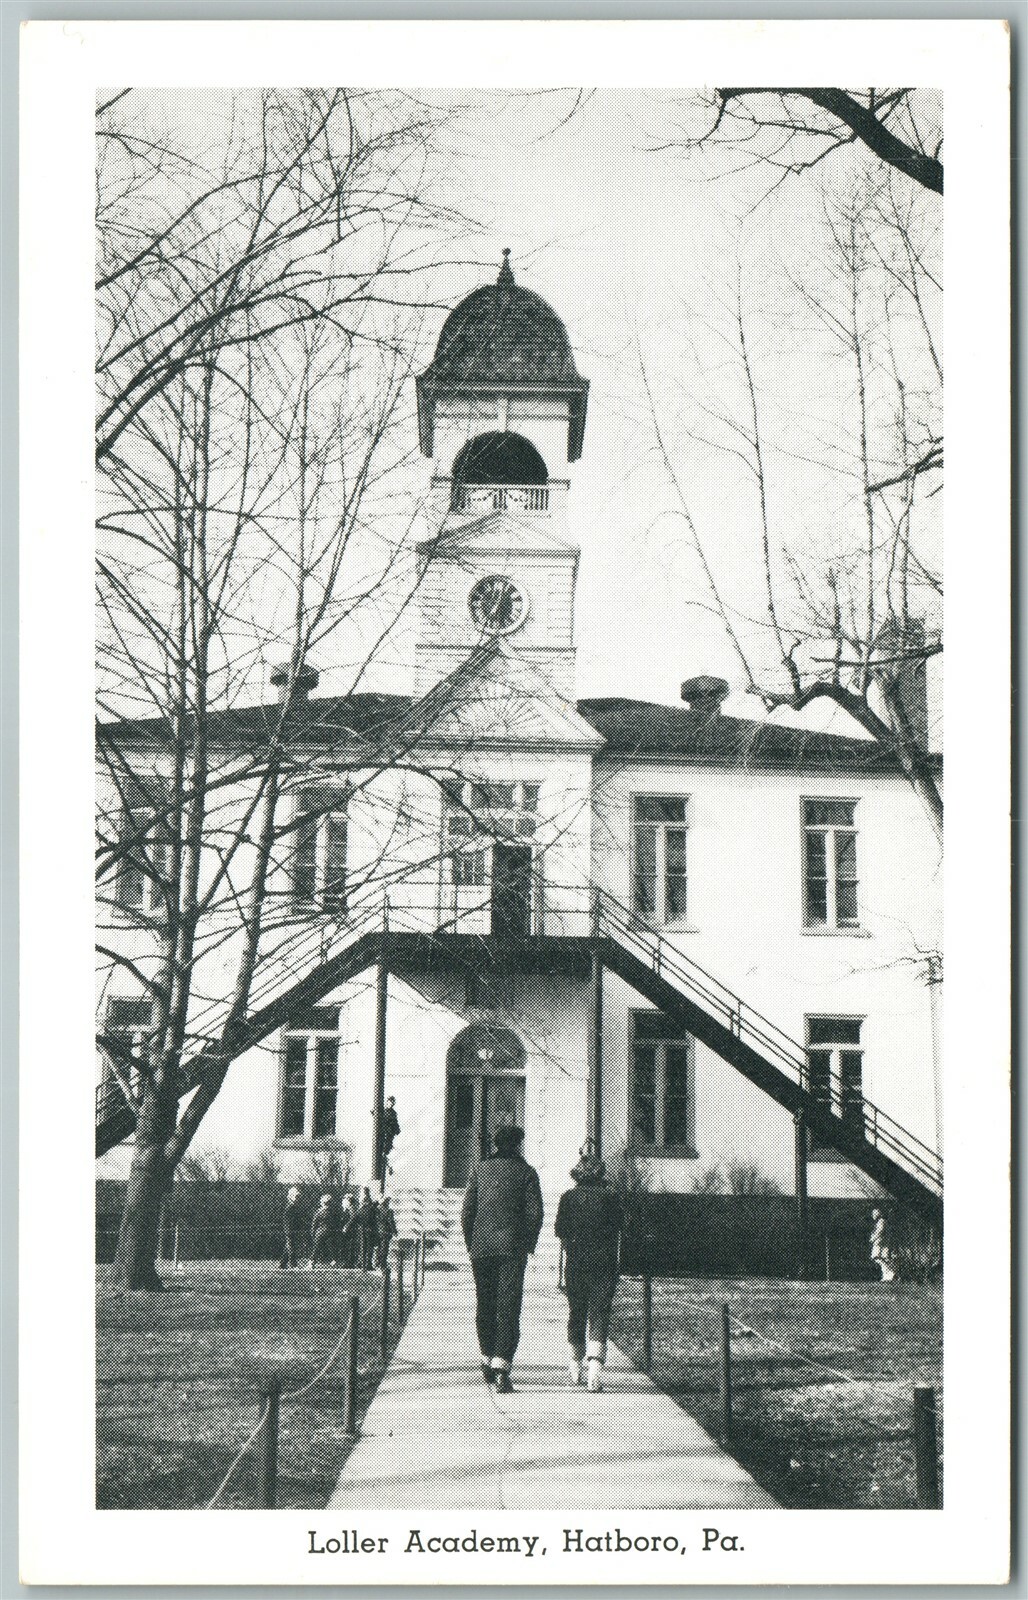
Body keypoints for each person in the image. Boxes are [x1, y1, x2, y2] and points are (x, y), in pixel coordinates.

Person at [461, 1124, 543, 1394]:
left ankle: (486, 1357)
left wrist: (472, 1243)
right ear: (518, 1145)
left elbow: (467, 1212)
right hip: (512, 1249)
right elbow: (535, 1214)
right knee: (508, 1305)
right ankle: (501, 1368)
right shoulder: (527, 1173)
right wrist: (528, 1244)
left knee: (485, 1302)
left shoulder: (479, 1169)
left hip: (482, 1248)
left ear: (496, 1144)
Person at [555, 1151, 623, 1392]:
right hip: (603, 1262)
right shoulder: (610, 1197)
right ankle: (595, 1367)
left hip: (576, 1261)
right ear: (600, 1173)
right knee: (599, 1312)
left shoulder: (568, 1198)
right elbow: (619, 1227)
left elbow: (560, 1231)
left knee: (577, 1311)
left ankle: (575, 1364)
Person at [279, 1185, 305, 1269]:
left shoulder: (295, 1207)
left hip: (294, 1230)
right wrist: (289, 1231)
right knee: (291, 1248)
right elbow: (288, 1221)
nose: (298, 1198)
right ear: (290, 1197)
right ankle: (293, 1264)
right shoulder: (289, 1208)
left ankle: (282, 1264)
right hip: (290, 1231)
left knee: (289, 1247)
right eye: (296, 1196)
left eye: (298, 1197)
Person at [869, 1207, 897, 1282]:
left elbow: (880, 1231)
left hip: (881, 1243)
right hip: (879, 1242)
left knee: (881, 1257)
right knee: (879, 1258)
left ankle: (890, 1274)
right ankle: (887, 1275)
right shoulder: (879, 1222)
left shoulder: (882, 1221)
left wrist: (873, 1238)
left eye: (874, 1214)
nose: (873, 1216)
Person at [310, 1193, 336, 1267]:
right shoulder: (332, 1212)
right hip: (330, 1232)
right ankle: (333, 1261)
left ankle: (312, 1262)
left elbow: (314, 1223)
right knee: (331, 1248)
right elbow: (335, 1223)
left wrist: (313, 1233)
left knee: (317, 1248)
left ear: (322, 1203)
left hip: (320, 1232)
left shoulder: (318, 1212)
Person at [356, 1187, 378, 1271]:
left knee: (363, 1247)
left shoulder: (360, 1210)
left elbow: (354, 1219)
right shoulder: (372, 1210)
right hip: (370, 1230)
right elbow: (375, 1219)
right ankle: (368, 1264)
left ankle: (363, 1265)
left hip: (362, 1230)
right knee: (369, 1247)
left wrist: (346, 1226)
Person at [375, 1195, 397, 1269]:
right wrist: (394, 1231)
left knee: (378, 1247)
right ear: (386, 1202)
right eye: (388, 1201)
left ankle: (377, 1262)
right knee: (384, 1248)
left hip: (377, 1231)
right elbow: (391, 1221)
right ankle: (383, 1264)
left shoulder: (376, 1210)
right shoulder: (389, 1211)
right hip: (386, 1232)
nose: (388, 1203)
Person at [380, 1097, 401, 1172]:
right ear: (387, 1102)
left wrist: (396, 1130)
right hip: (383, 1134)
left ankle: (386, 1166)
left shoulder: (393, 1113)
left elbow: (395, 1123)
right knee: (382, 1152)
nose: (391, 1104)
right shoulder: (383, 1111)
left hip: (388, 1134)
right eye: (390, 1102)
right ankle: (386, 1166)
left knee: (384, 1152)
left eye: (392, 1103)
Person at [338, 1192, 358, 1268]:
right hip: (347, 1230)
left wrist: (346, 1226)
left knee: (349, 1246)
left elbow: (352, 1219)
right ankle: (347, 1262)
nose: (343, 1201)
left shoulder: (351, 1209)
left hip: (350, 1231)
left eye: (345, 1199)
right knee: (347, 1246)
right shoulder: (348, 1208)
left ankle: (349, 1263)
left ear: (349, 1201)